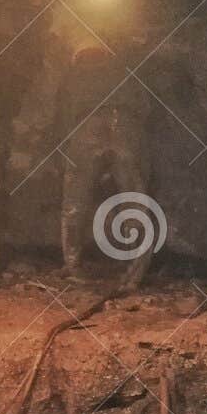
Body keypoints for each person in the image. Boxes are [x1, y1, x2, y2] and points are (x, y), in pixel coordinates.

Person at [56, 34, 148, 276]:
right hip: (124, 126)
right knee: (133, 197)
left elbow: (65, 117)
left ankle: (72, 265)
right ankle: (136, 271)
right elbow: (143, 106)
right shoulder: (124, 72)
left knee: (75, 200)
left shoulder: (72, 76)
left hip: (86, 127)